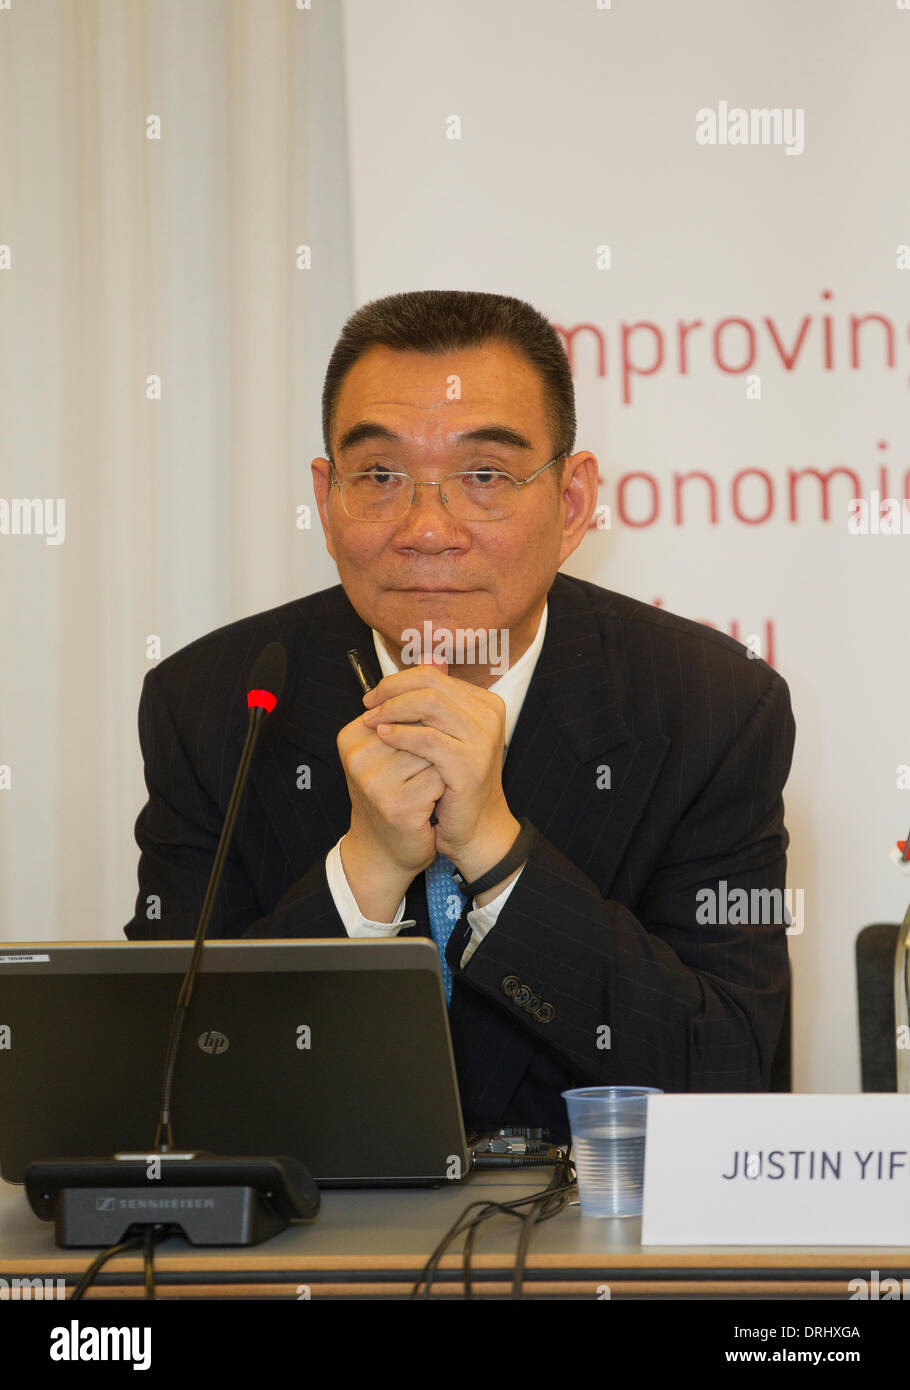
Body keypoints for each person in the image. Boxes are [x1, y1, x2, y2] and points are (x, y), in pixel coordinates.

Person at [124, 289, 796, 1136]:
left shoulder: (710, 708)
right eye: (380, 476)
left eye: (485, 476)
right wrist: (362, 875)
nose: (428, 529)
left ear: (575, 502)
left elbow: (732, 1074)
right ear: (327, 502)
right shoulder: (217, 703)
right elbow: (160, 1089)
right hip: (312, 1246)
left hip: (590, 1243)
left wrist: (497, 854)